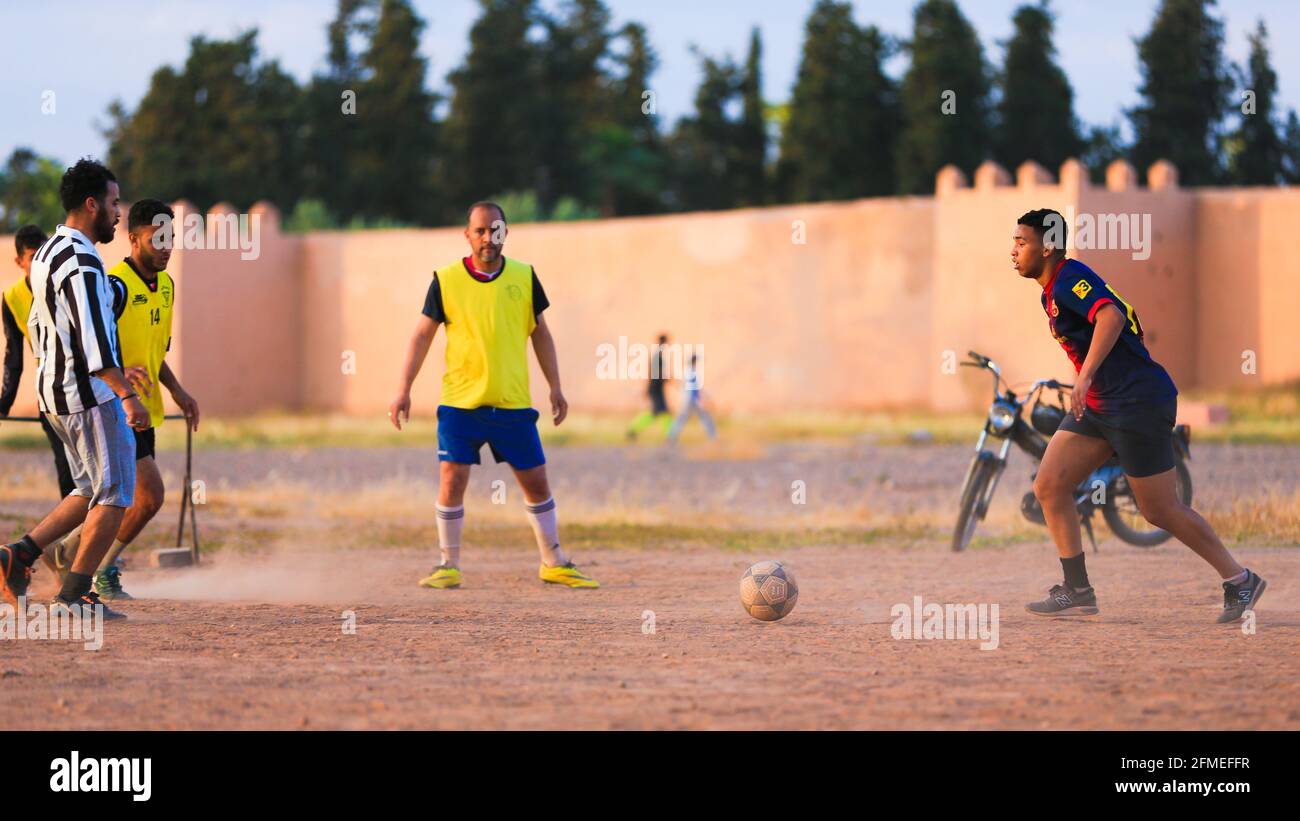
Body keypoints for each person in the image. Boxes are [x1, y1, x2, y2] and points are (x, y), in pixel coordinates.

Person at [1013, 208, 1265, 623]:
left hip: (1136, 402)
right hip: (1100, 403)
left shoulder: (1070, 277)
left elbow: (1109, 316)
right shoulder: (1051, 290)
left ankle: (1240, 580)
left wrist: (1085, 375)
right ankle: (1077, 589)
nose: (1014, 250)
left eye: (1022, 242)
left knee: (1159, 510)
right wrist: (1088, 383)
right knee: (1049, 485)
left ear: (1049, 246)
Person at [388, 201, 598, 590]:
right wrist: (403, 389)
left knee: (536, 480)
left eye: (495, 229)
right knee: (451, 480)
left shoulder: (525, 276)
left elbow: (542, 334)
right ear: (467, 235)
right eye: (480, 230)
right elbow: (421, 335)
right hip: (460, 404)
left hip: (513, 404)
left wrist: (555, 386)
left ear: (506, 232)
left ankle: (553, 561)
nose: (488, 237)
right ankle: (447, 565)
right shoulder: (446, 280)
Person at [0, 158, 150, 619]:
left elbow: (87, 310)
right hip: (88, 395)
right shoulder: (83, 260)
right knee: (116, 492)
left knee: (86, 488)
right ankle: (74, 595)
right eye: (113, 202)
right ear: (92, 204)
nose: (118, 212)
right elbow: (92, 337)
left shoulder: (47, 252)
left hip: (55, 395)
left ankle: (17, 555)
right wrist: (124, 392)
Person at [46, 199, 200, 600]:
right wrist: (118, 375)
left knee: (126, 496)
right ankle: (97, 569)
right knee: (142, 494)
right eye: (157, 237)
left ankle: (62, 551)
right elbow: (92, 341)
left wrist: (177, 391)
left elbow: (156, 350)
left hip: (142, 409)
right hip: (112, 403)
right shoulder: (112, 285)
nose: (166, 246)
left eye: (171, 238)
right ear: (133, 238)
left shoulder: (166, 285)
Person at [1, 224, 76, 499]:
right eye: (34, 256)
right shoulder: (11, 299)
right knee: (67, 472)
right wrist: (4, 403)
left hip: (84, 390)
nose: (42, 261)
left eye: (46, 253)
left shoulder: (67, 285)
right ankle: (73, 540)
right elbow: (14, 357)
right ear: (19, 262)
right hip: (51, 395)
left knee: (97, 474)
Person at [625, 333, 673, 440]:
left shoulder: (658, 356)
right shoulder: (658, 357)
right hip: (656, 390)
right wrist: (667, 379)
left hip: (656, 389)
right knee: (662, 412)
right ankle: (671, 436)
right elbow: (656, 374)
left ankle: (633, 431)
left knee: (656, 413)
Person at [666, 351, 716, 444]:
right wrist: (702, 398)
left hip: (687, 399)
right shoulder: (690, 372)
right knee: (704, 417)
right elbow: (694, 388)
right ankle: (713, 437)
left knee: (682, 418)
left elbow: (683, 385)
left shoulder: (686, 371)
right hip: (691, 400)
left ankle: (671, 437)